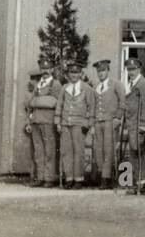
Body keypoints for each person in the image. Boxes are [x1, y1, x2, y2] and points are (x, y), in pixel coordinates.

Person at [55, 61, 96, 190]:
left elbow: (91, 107)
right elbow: (59, 105)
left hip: (79, 125)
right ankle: (69, 178)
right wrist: (58, 121)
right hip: (66, 123)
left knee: (79, 151)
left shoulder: (87, 89)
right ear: (68, 74)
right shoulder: (64, 88)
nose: (74, 75)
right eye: (72, 72)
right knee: (67, 151)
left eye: (77, 72)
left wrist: (88, 123)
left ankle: (78, 179)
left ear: (81, 74)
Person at [120, 59, 145, 195]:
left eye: (133, 69)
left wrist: (144, 124)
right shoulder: (131, 84)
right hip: (131, 124)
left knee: (138, 153)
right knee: (134, 153)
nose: (131, 72)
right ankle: (135, 183)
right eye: (129, 70)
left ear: (139, 69)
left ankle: (142, 183)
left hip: (139, 125)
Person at [24, 69, 59, 187]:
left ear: (52, 70)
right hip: (36, 120)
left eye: (48, 68)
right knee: (38, 150)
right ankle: (40, 177)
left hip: (48, 120)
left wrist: (38, 102)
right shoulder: (38, 85)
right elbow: (30, 104)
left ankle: (49, 178)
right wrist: (29, 120)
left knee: (49, 149)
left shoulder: (55, 84)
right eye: (43, 69)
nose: (45, 71)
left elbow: (57, 102)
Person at [90, 60, 122, 189]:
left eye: (103, 70)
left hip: (110, 121)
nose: (101, 73)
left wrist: (117, 118)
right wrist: (92, 123)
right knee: (98, 150)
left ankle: (106, 178)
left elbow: (122, 102)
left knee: (108, 150)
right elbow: (93, 106)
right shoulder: (96, 87)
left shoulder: (115, 84)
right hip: (98, 122)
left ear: (108, 71)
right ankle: (101, 174)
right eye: (99, 71)